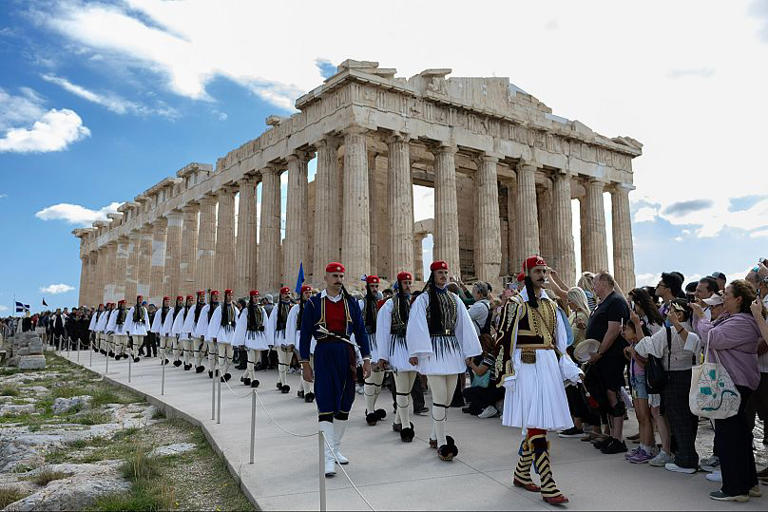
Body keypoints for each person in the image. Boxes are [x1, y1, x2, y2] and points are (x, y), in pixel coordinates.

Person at [495, 255, 580, 504]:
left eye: (545, 271)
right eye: (538, 271)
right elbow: (503, 340)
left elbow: (560, 342)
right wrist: (507, 372)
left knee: (539, 422)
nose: (543, 276)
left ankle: (522, 473)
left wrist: (568, 367)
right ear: (528, 273)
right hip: (526, 366)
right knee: (537, 424)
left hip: (547, 365)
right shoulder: (515, 303)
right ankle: (548, 482)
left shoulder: (552, 304)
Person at [299, 262, 371, 477]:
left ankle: (335, 448)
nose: (338, 279)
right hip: (323, 353)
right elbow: (304, 336)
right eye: (334, 276)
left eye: (341, 276)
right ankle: (328, 458)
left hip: (346, 354)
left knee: (346, 403)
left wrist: (366, 359)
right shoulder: (313, 303)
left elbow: (360, 331)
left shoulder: (351, 302)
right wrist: (305, 364)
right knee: (326, 402)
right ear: (326, 278)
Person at [692, 280, 761, 502]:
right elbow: (708, 332)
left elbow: (713, 338)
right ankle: (749, 483)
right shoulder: (733, 319)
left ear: (739, 299)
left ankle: (734, 488)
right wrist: (701, 317)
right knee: (739, 435)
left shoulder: (743, 322)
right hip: (734, 382)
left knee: (729, 437)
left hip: (734, 383)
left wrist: (702, 318)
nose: (724, 299)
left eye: (728, 295)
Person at [406, 260, 481, 462]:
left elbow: (464, 326)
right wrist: (416, 351)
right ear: (433, 275)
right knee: (439, 397)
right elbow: (416, 325)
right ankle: (441, 442)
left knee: (447, 399)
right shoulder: (423, 299)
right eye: (440, 272)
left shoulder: (454, 299)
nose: (443, 275)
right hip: (433, 350)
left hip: (451, 350)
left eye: (445, 272)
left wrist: (469, 351)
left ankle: (433, 434)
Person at [633, 299, 701, 473]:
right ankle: (688, 455)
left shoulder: (668, 332)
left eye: (669, 311)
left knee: (678, 419)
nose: (665, 314)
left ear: (678, 314)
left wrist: (637, 327)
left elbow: (644, 348)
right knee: (691, 419)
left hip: (673, 378)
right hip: (692, 375)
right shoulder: (695, 328)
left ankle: (686, 460)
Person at [587, 271, 630, 455]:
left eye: (595, 283)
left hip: (610, 356)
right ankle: (611, 436)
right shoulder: (602, 303)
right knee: (605, 394)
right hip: (601, 358)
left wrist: (600, 352)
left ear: (604, 283)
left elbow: (613, 330)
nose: (593, 287)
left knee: (613, 393)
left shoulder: (616, 301)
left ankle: (618, 438)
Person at [376, 271, 419, 441]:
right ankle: (406, 425)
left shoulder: (415, 303)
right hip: (398, 348)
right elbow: (383, 331)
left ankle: (397, 420)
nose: (408, 286)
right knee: (402, 388)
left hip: (412, 349)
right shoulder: (389, 305)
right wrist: (383, 356)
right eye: (405, 283)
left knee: (408, 388)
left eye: (410, 282)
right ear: (399, 285)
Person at [360, 275, 387, 425]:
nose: (375, 289)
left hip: (380, 342)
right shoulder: (361, 304)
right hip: (368, 343)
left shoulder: (382, 304)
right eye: (372, 287)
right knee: (370, 378)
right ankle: (370, 411)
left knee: (379, 380)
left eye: (377, 287)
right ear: (367, 287)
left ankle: (371, 406)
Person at [233, 290, 270, 388]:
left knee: (256, 359)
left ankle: (244, 376)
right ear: (251, 298)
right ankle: (253, 379)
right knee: (251, 358)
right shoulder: (246, 310)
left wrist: (268, 339)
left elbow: (266, 324)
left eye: (257, 297)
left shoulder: (262, 310)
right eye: (254, 297)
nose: (256, 298)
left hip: (259, 336)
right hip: (250, 336)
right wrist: (240, 341)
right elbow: (241, 326)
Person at [286, 286, 316, 400]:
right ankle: (308, 392)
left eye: (310, 292)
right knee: (305, 364)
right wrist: (291, 342)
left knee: (309, 365)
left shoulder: (314, 307)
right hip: (301, 338)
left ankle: (301, 389)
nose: (308, 295)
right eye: (306, 293)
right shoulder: (296, 309)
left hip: (313, 339)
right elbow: (291, 326)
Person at [207, 289, 238, 382]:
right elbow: (215, 322)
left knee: (230, 357)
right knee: (221, 355)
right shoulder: (220, 308)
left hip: (231, 334)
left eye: (231, 295)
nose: (230, 297)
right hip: (222, 334)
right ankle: (223, 374)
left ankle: (225, 371)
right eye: (228, 295)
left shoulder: (235, 309)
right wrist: (213, 335)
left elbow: (238, 323)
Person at [268, 286, 294, 394]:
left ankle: (279, 381)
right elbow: (271, 324)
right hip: (280, 337)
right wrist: (271, 341)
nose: (287, 296)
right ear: (281, 295)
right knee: (282, 361)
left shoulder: (293, 307)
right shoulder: (276, 308)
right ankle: (284, 384)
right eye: (285, 294)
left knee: (287, 363)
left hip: (290, 338)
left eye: (288, 294)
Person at [195, 290, 220, 378]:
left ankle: (216, 368)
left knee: (218, 353)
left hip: (219, 333)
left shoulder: (220, 307)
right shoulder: (206, 308)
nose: (216, 297)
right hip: (209, 333)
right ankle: (211, 369)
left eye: (217, 296)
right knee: (211, 351)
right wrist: (202, 333)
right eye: (214, 296)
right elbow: (203, 322)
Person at [171, 295, 193, 369]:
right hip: (183, 333)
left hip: (192, 333)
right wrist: (178, 332)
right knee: (183, 349)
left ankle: (186, 361)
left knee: (191, 351)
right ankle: (186, 363)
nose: (191, 302)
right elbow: (179, 322)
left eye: (191, 300)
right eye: (189, 300)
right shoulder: (182, 311)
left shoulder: (193, 310)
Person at [126, 295, 150, 363]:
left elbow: (146, 318)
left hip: (141, 327)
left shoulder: (144, 309)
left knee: (140, 343)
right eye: (139, 299)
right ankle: (136, 356)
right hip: (134, 327)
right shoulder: (133, 308)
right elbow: (129, 318)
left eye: (141, 299)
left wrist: (147, 327)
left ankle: (133, 352)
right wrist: (128, 328)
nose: (140, 300)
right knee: (135, 342)